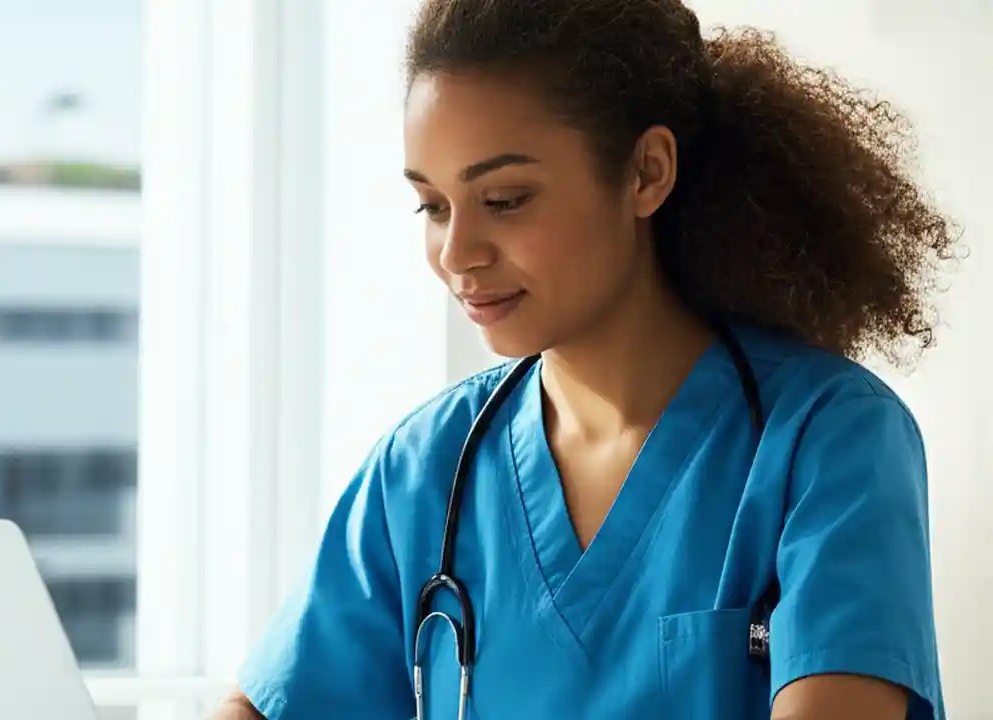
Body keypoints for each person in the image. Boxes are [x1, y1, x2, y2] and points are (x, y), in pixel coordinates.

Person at [212, 0, 959, 717]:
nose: (457, 254)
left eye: (505, 199)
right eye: (434, 206)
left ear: (646, 173)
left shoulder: (829, 441)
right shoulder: (423, 470)